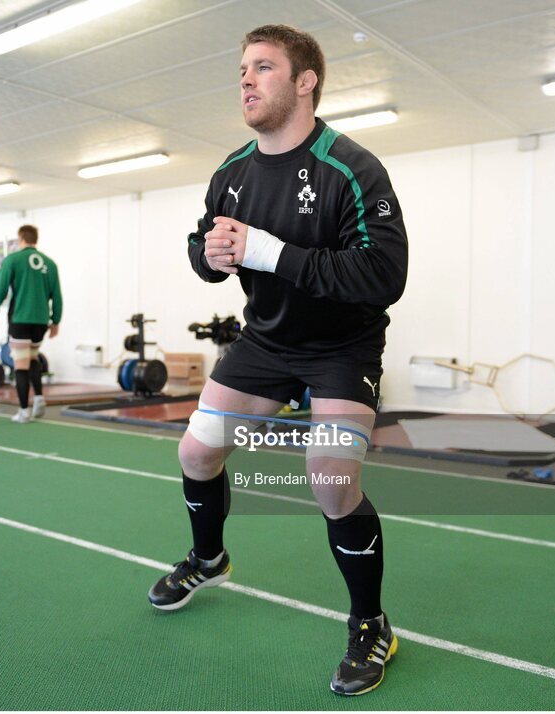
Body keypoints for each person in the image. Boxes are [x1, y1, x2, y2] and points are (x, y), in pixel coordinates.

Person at [147, 25, 408, 696]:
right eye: (242, 68)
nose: (246, 78)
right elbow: (204, 244)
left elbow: (384, 275)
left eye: (263, 66)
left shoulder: (352, 167)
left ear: (305, 81)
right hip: (266, 342)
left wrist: (271, 253)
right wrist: (208, 257)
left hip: (343, 346)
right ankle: (209, 558)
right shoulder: (231, 172)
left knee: (330, 478)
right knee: (196, 452)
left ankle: (371, 623)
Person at [0, 225, 62, 423]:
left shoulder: (13, 260)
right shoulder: (50, 264)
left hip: (20, 319)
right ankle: (39, 398)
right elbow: (57, 295)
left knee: (20, 364)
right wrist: (56, 321)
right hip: (40, 321)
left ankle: (24, 410)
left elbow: (0, 288)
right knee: (33, 358)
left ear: (21, 239)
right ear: (36, 239)